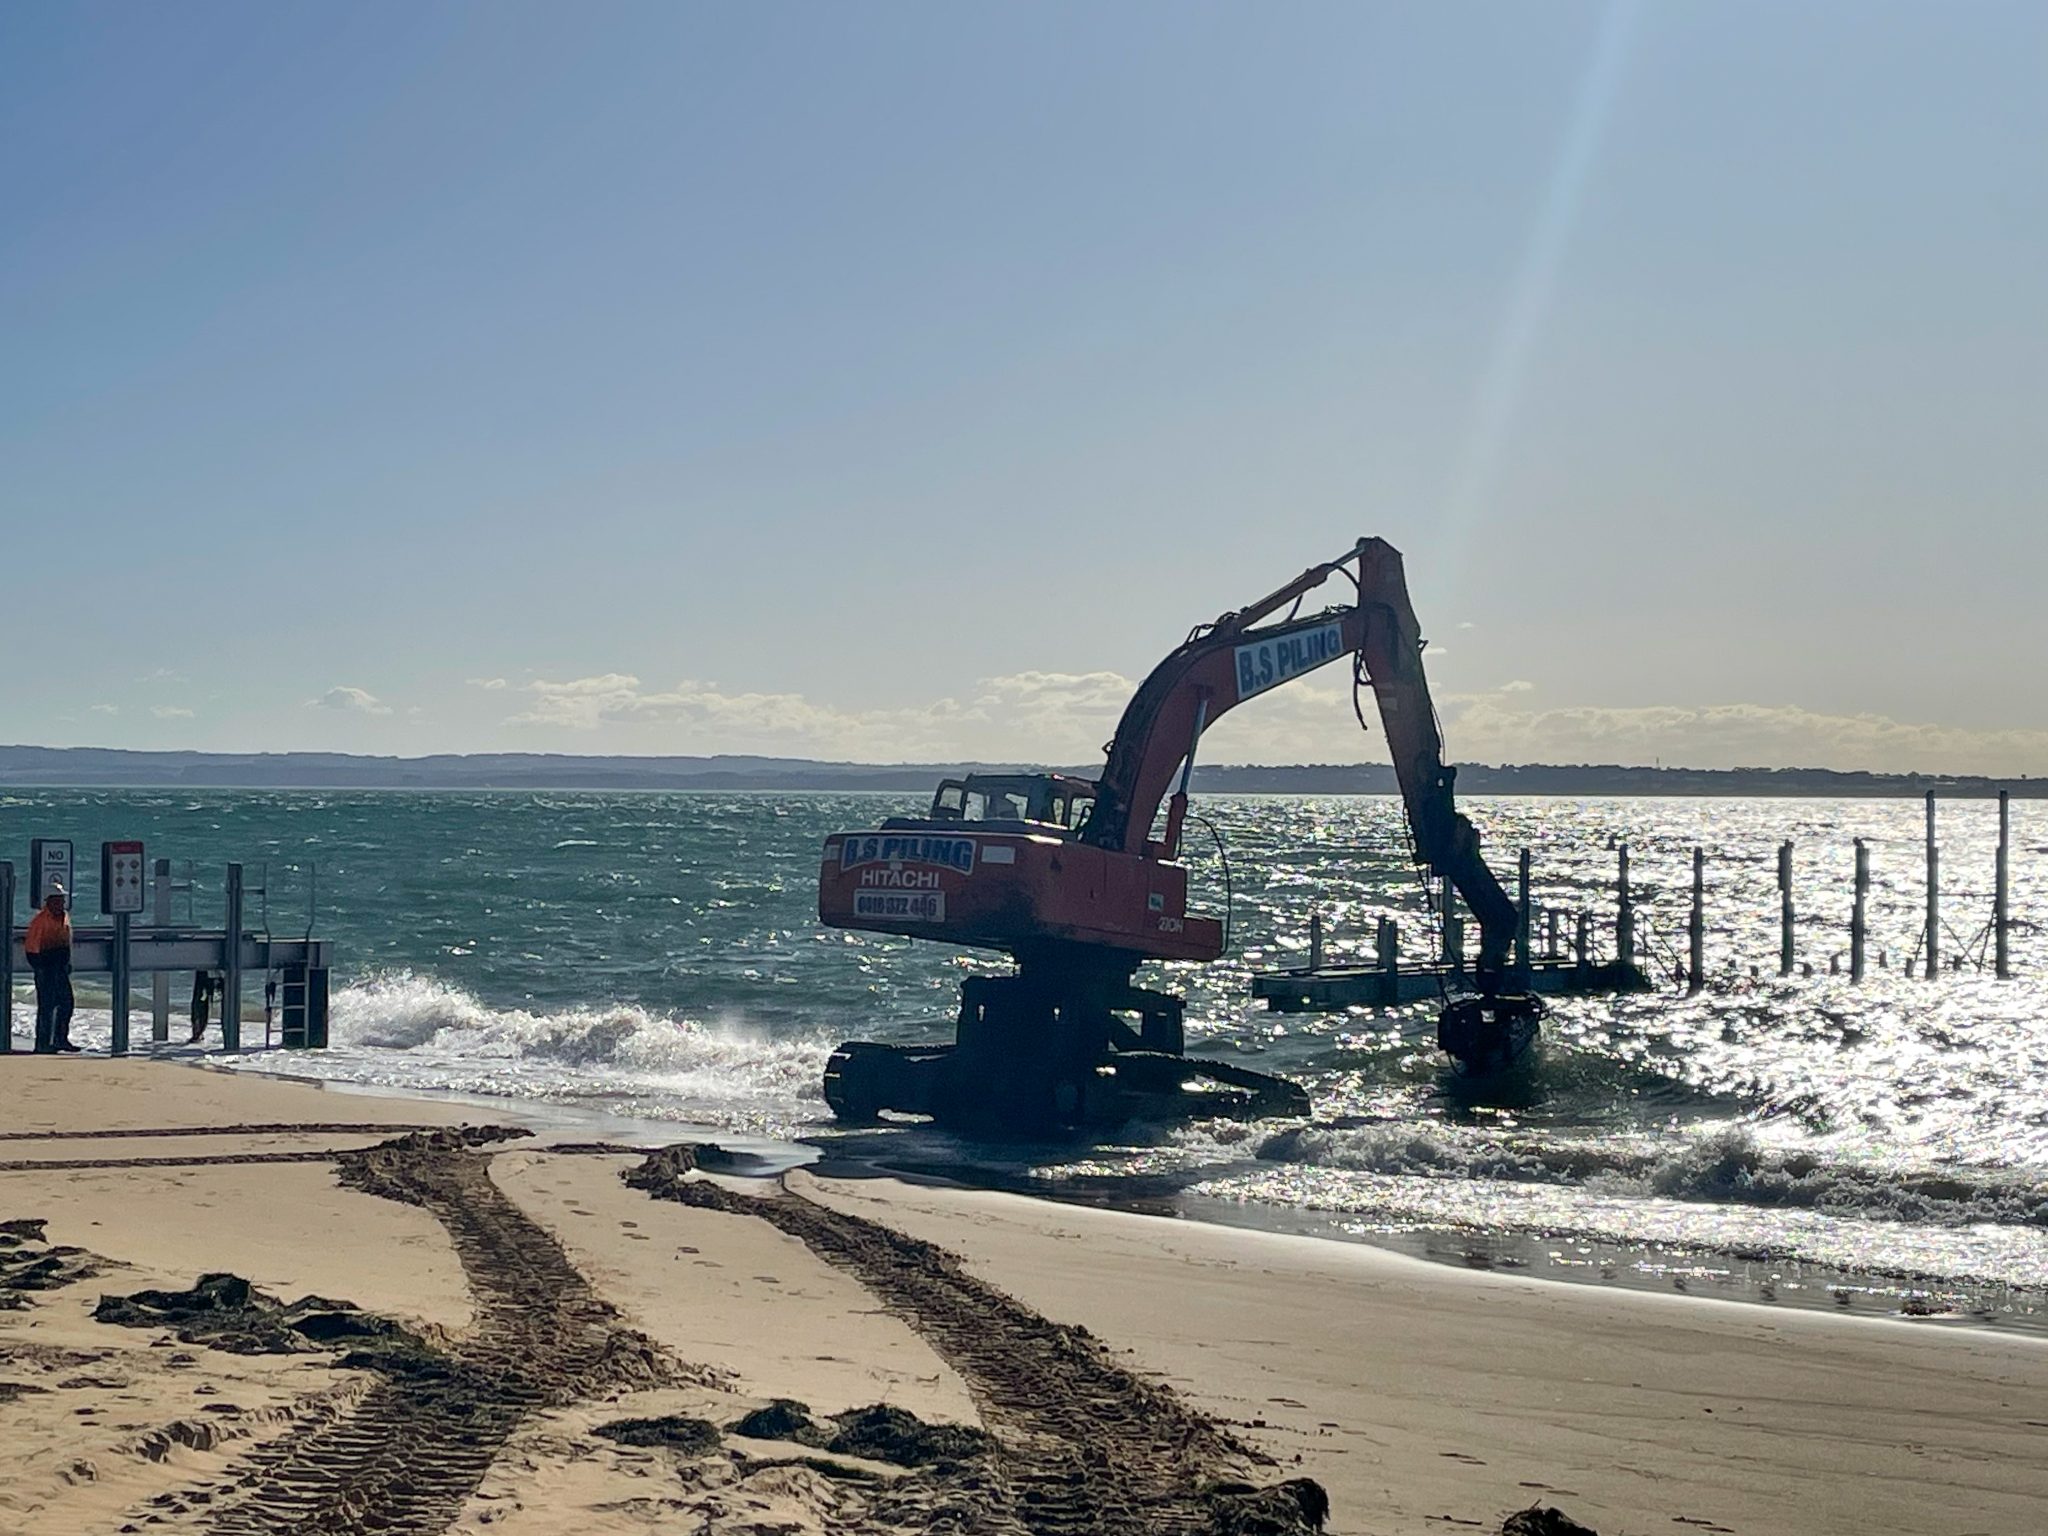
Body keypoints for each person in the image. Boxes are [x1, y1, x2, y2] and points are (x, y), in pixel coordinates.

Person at [24, 882, 79, 1053]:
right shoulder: (40, 922)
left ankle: (60, 1039)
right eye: (58, 900)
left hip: (60, 967)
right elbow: (31, 949)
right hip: (45, 968)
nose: (61, 904)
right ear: (48, 901)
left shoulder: (64, 916)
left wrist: (66, 963)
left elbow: (66, 941)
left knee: (67, 1003)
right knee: (47, 1007)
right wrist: (43, 968)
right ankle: (43, 1044)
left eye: (62, 900)